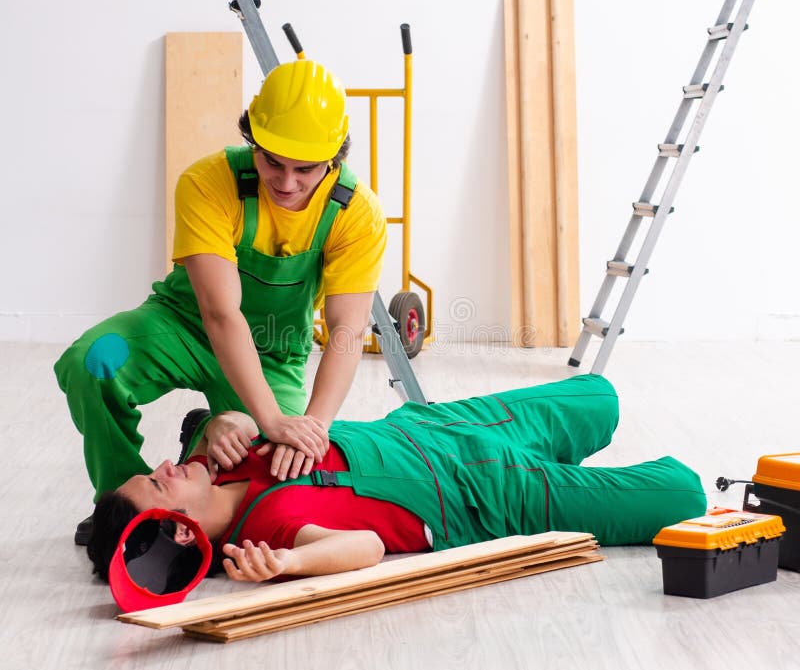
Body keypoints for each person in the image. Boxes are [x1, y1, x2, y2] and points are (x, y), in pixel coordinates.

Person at [54, 60, 387, 543]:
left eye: (306, 169)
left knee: (276, 467)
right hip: (183, 326)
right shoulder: (209, 182)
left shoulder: (356, 214)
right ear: (252, 138)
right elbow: (219, 313)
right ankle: (121, 501)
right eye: (272, 161)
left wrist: (313, 424)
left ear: (335, 158)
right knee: (92, 361)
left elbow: (346, 330)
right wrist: (270, 419)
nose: (287, 183)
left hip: (271, 350)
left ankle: (208, 428)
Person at [87, 374, 707, 584]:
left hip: (434, 428)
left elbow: (226, 417)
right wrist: (290, 568)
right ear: (186, 532)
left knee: (600, 398)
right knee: (684, 495)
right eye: (160, 484)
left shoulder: (217, 455)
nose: (167, 467)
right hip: (484, 496)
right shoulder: (267, 532)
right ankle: (564, 478)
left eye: (155, 469)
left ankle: (562, 456)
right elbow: (369, 548)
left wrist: (230, 417)